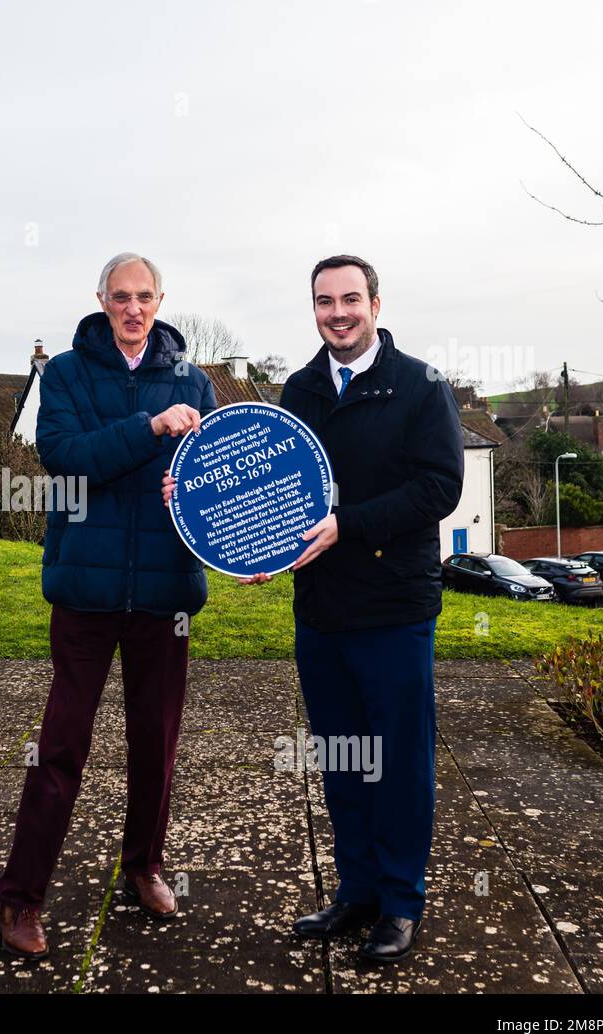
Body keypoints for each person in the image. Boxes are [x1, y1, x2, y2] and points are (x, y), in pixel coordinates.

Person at [162, 254, 463, 964]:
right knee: (342, 758)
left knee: (398, 761)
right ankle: (355, 890)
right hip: (322, 609)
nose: (338, 313)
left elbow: (439, 488)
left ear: (376, 304)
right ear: (315, 309)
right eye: (325, 302)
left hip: (394, 606)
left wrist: (347, 525)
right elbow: (267, 480)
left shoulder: (422, 386)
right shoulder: (298, 388)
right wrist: (218, 520)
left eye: (350, 299)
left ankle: (399, 902)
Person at [0, 252, 216, 959]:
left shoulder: (195, 381)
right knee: (60, 745)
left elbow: (215, 482)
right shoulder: (64, 373)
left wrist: (222, 527)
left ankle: (145, 866)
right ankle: (22, 898)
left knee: (157, 743)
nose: (133, 308)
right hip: (86, 594)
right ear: (100, 299)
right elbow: (65, 456)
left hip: (165, 594)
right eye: (120, 296)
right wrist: (151, 429)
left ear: (160, 300)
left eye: (144, 296)